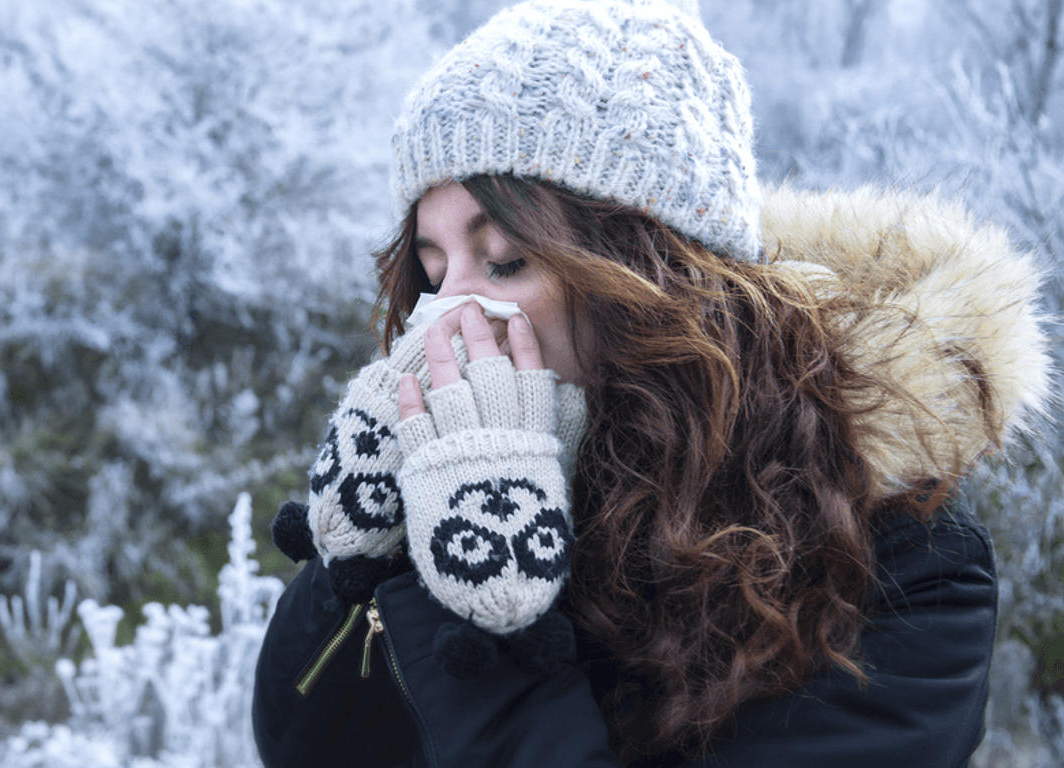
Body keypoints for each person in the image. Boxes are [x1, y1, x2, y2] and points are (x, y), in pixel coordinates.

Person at [252, 0, 1053, 765]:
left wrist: (495, 606)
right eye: (433, 274)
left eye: (505, 263)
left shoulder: (903, 558)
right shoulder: (467, 459)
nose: (449, 316)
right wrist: (360, 563)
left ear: (650, 278)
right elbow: (304, 745)